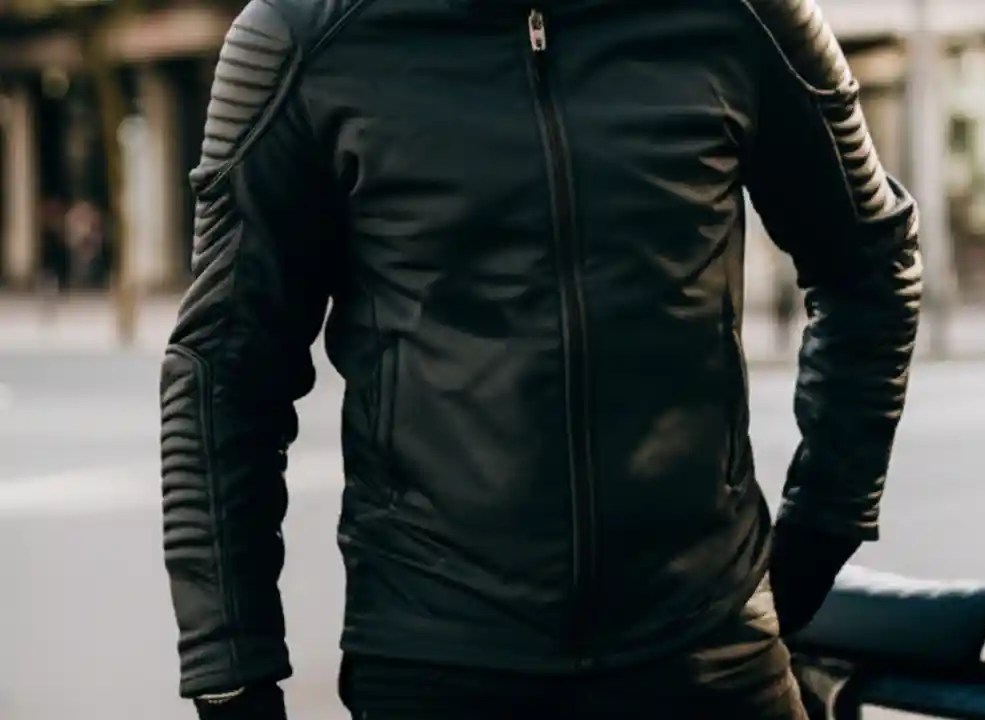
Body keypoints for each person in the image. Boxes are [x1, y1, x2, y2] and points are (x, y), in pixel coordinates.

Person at [160, 0, 922, 718]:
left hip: (711, 660)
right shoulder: (306, 36)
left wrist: (819, 531)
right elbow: (223, 369)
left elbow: (870, 263)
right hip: (438, 663)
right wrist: (232, 669)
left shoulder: (739, 14)